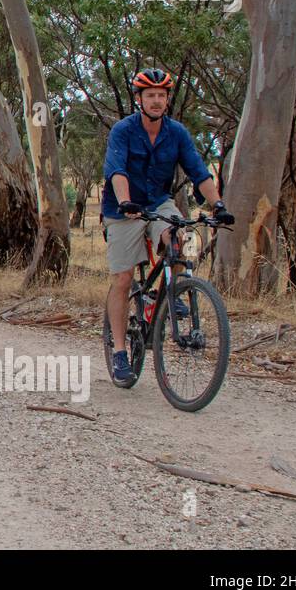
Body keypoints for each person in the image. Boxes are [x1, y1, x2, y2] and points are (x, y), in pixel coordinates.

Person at [101, 68, 234, 385]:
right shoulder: (123, 130)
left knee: (178, 232)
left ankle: (172, 288)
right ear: (139, 99)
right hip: (123, 208)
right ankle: (120, 351)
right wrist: (124, 201)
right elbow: (116, 171)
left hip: (157, 201)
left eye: (162, 95)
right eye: (151, 95)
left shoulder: (177, 133)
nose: (157, 100)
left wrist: (217, 205)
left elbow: (199, 173)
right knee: (122, 278)